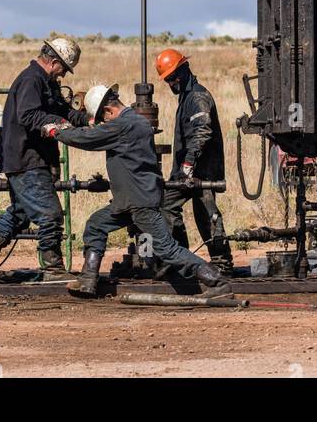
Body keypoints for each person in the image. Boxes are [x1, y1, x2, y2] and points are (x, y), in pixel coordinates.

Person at [51, 83, 232, 298]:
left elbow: (86, 139)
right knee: (96, 225)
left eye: (102, 118)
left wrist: (57, 132)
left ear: (109, 111)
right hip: (129, 201)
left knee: (167, 249)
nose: (102, 123)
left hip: (140, 202)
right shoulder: (133, 121)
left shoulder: (124, 124)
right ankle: (88, 280)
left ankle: (217, 282)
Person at [0, 35, 86, 280]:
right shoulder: (32, 80)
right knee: (50, 214)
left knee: (20, 213)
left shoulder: (44, 82)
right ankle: (52, 269)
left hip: (27, 159)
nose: (63, 75)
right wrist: (59, 125)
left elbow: (62, 111)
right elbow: (28, 115)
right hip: (27, 160)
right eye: (63, 69)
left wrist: (85, 120)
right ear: (54, 62)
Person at [155, 48, 234, 272]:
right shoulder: (187, 97)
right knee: (168, 206)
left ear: (183, 72)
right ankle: (182, 258)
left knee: (206, 213)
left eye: (171, 78)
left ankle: (221, 262)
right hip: (188, 170)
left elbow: (203, 131)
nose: (170, 83)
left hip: (201, 170)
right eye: (167, 80)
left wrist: (189, 163)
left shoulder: (197, 96)